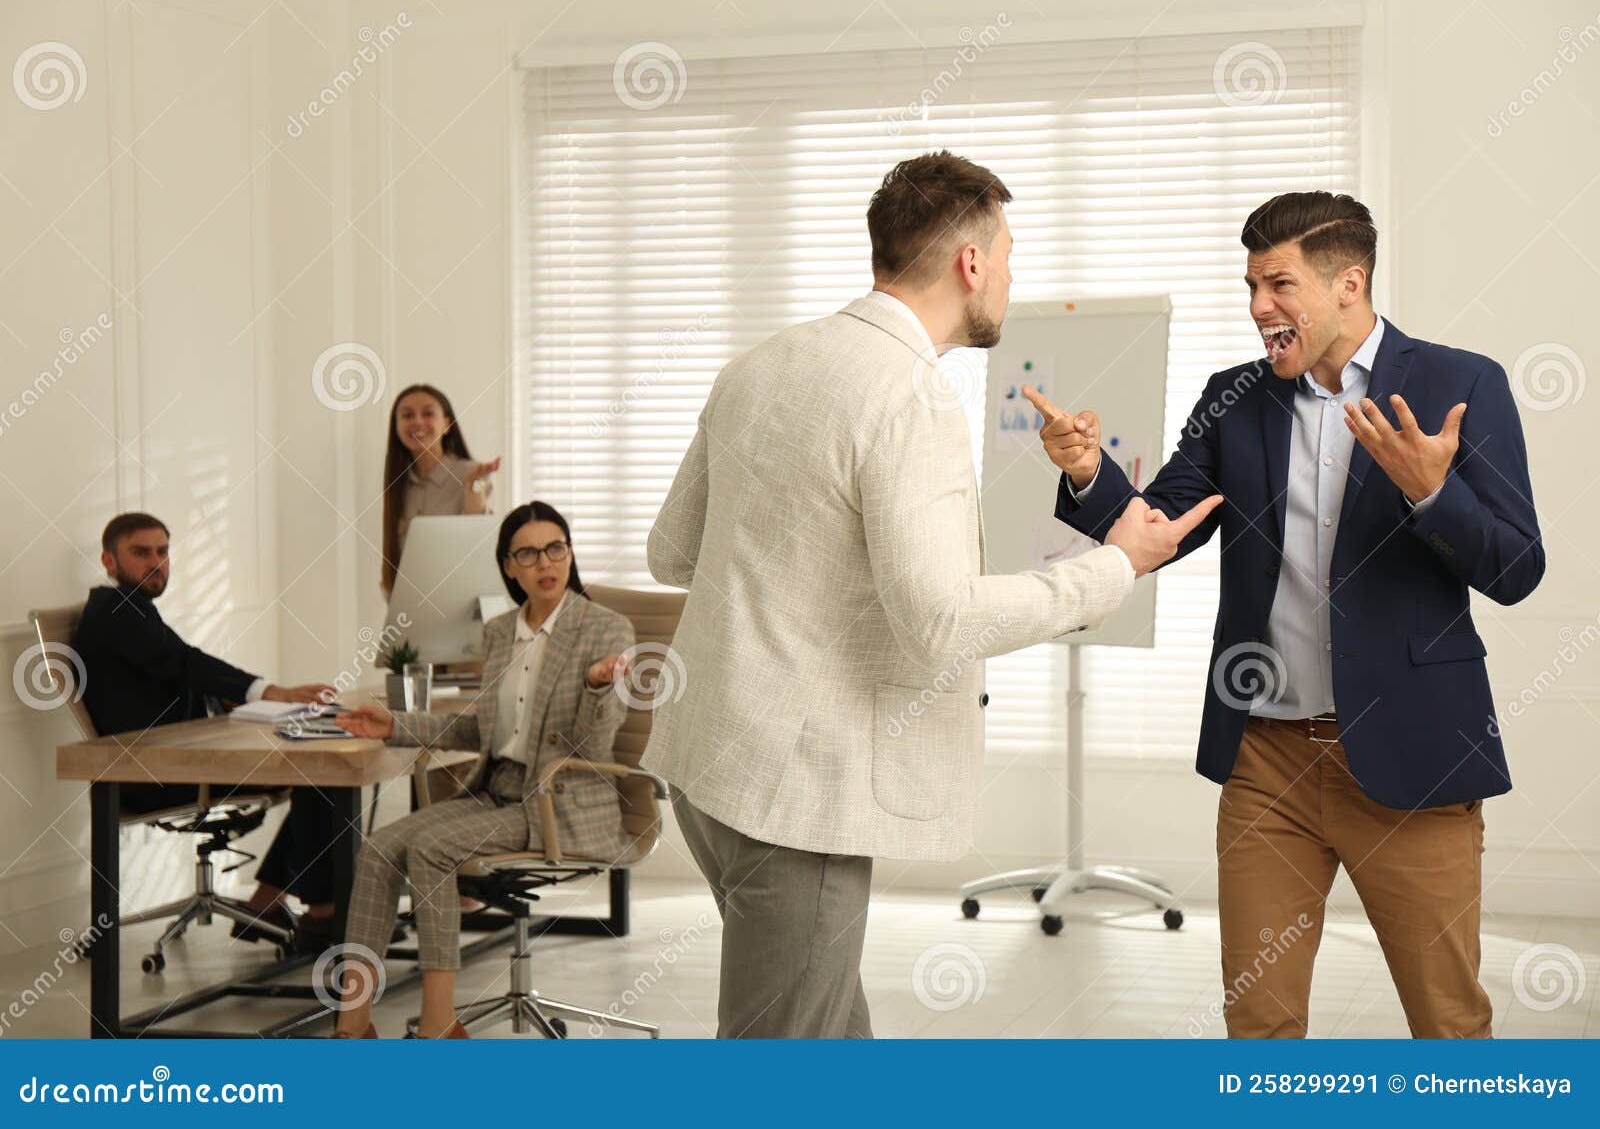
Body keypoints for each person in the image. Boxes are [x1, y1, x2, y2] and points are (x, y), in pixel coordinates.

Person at [642, 150, 1220, 1038]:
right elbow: (940, 620)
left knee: (825, 1023)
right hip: (802, 798)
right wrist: (1117, 563)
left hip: (711, 764)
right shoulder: (911, 396)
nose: (1012, 277)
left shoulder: (758, 365)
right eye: (1010, 255)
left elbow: (672, 552)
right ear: (971, 263)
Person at [1035, 191, 1543, 1038]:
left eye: (1278, 284)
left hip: (1410, 760)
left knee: (1448, 1026)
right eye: (1249, 286)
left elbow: (1518, 568)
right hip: (1267, 762)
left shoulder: (1462, 383)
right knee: (1259, 1028)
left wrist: (1433, 493)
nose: (1259, 308)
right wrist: (1090, 473)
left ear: (1351, 281)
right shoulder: (1233, 397)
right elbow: (1158, 528)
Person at [332, 502, 635, 1038]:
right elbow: (478, 732)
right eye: (528, 552)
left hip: (556, 802)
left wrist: (595, 685)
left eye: (556, 547)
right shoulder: (498, 633)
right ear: (508, 566)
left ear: (569, 553)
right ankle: (352, 1027)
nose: (546, 561)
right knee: (378, 849)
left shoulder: (606, 628)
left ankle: (439, 1023)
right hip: (496, 792)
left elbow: (594, 742)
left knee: (430, 849)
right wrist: (393, 725)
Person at [73, 512, 343, 946]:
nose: (156, 563)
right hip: (156, 773)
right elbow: (184, 663)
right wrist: (268, 690)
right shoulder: (117, 611)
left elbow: (171, 669)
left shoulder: (130, 610)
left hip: (178, 756)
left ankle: (272, 906)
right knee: (326, 773)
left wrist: (232, 698)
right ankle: (319, 916)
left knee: (323, 768)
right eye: (141, 553)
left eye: (163, 552)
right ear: (109, 560)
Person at [380, 383, 501, 597]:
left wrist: (474, 486)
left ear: (446, 424)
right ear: (396, 427)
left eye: (428, 413)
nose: (417, 421)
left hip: (462, 598)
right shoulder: (398, 483)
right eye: (407, 415)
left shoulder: (472, 473)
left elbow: (477, 537)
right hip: (410, 604)